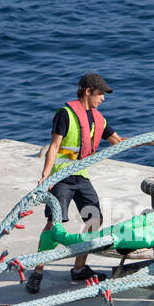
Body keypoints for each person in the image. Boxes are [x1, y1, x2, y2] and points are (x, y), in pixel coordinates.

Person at [26, 72, 124, 293]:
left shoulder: (98, 118)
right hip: (61, 177)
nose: (103, 99)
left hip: (81, 177)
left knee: (95, 219)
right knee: (54, 224)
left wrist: (151, 141)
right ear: (88, 92)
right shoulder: (65, 114)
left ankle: (79, 268)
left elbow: (118, 142)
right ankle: (38, 271)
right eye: (100, 94)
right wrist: (45, 176)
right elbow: (53, 146)